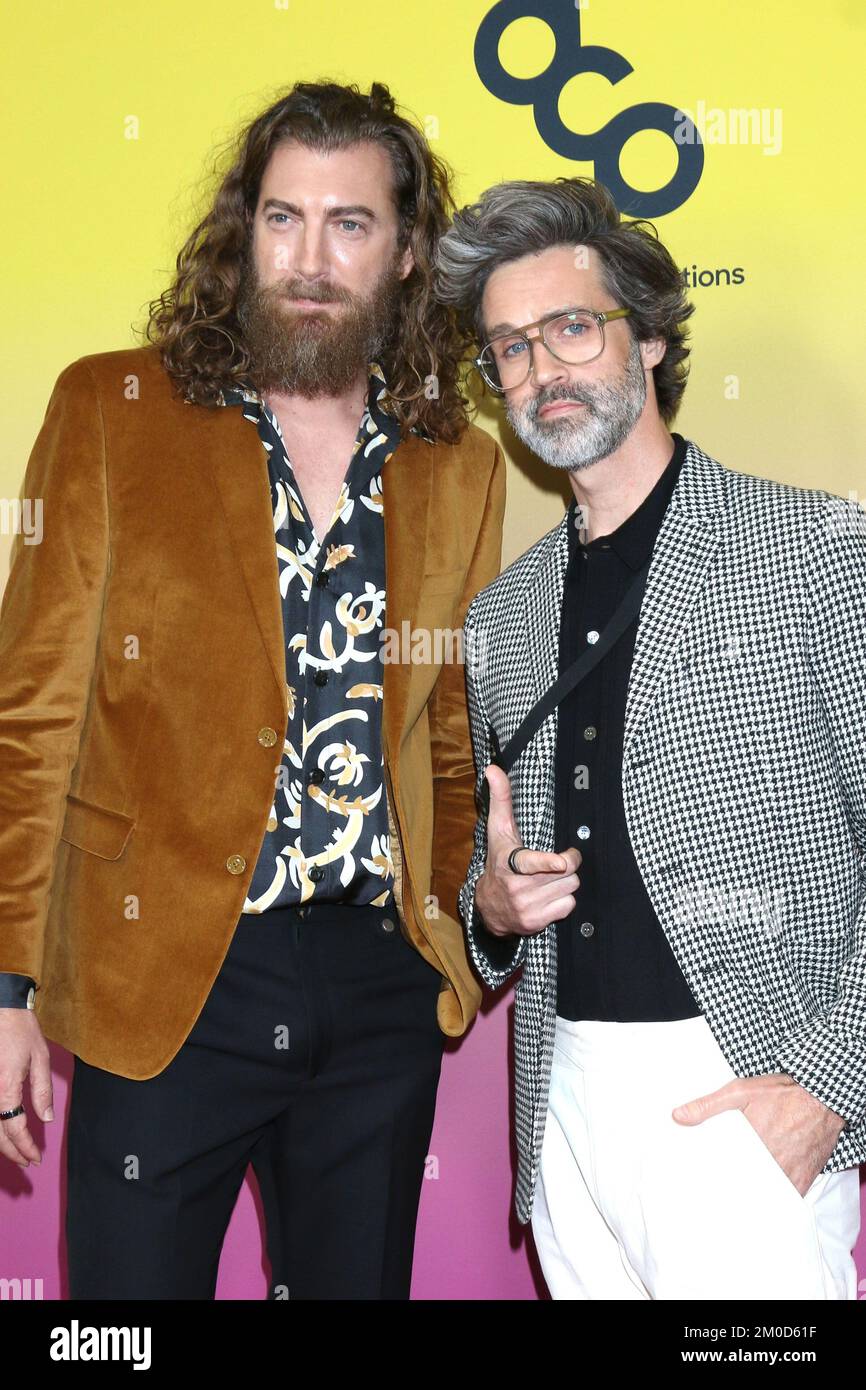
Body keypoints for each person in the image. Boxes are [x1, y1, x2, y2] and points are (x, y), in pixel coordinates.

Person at [0, 80, 505, 1300]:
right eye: (283, 218)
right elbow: (33, 712)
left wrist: (449, 936)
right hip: (164, 975)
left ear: (403, 254)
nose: (310, 258)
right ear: (243, 234)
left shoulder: (456, 463)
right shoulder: (114, 410)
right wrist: (5, 983)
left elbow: (444, 728)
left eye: (349, 223)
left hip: (377, 988)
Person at [434, 175, 864, 1299]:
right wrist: (490, 906)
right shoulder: (501, 616)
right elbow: (490, 905)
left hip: (745, 1086)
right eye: (510, 347)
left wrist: (828, 1085)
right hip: (564, 1095)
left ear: (653, 335)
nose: (542, 369)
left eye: (572, 326)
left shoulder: (813, 547)